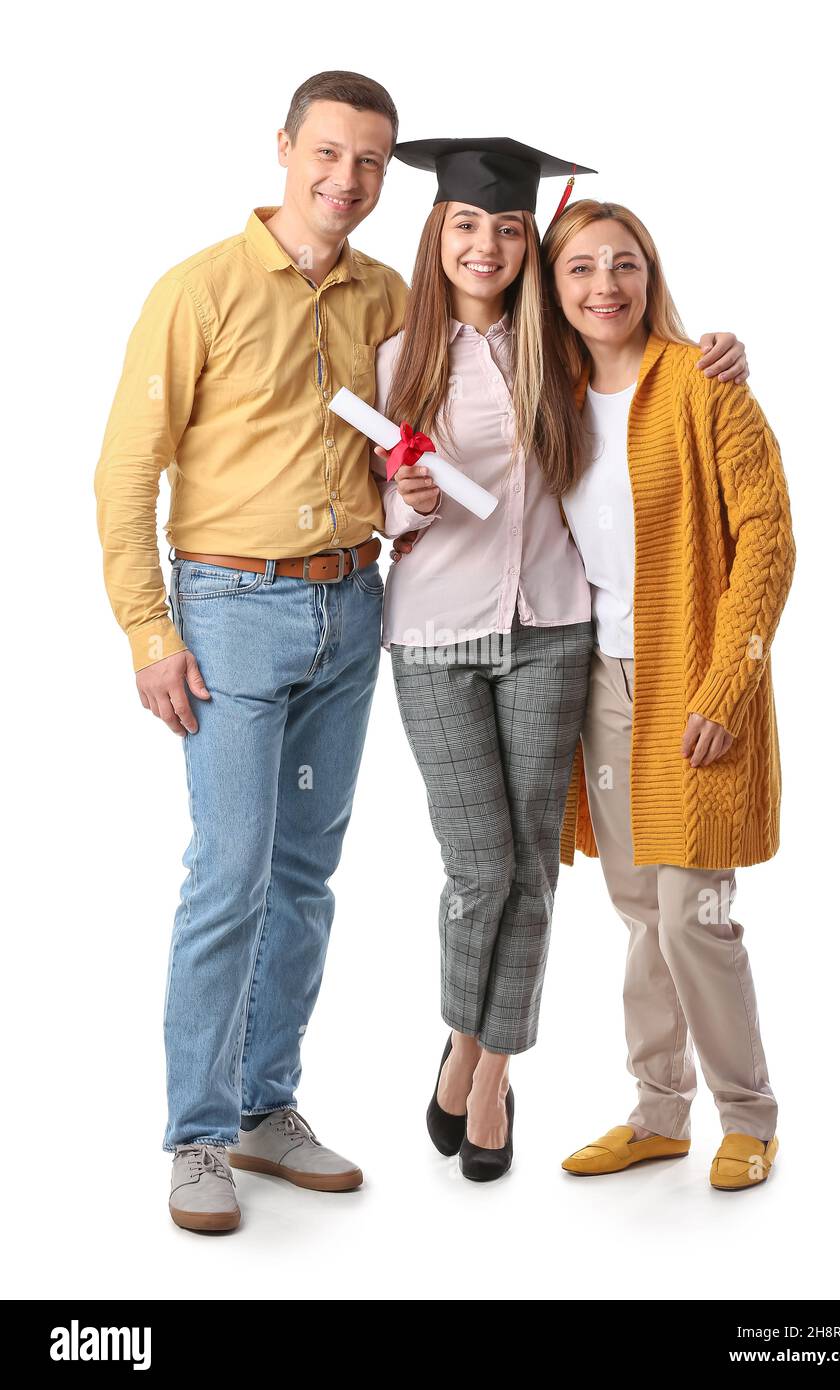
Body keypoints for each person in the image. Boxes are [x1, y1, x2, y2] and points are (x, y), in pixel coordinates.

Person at [94, 71, 434, 1234]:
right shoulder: (198, 289)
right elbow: (125, 473)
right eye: (328, 153)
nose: (347, 180)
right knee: (228, 874)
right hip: (230, 609)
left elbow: (411, 429)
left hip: (351, 607)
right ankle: (196, 1135)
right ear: (284, 147)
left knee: (303, 878)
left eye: (372, 163)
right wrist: (149, 629)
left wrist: (409, 483)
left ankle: (263, 1105)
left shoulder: (385, 295)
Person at [372, 139, 749, 1182]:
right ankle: (462, 1037)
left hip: (552, 632)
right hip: (437, 637)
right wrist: (393, 505)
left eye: (505, 226)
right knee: (477, 870)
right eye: (465, 225)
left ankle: (490, 1075)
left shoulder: (560, 349)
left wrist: (717, 350)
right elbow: (360, 501)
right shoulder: (391, 358)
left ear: (526, 241)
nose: (485, 244)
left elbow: (646, 382)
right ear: (436, 232)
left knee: (534, 868)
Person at [545, 200, 795, 1190]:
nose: (604, 286)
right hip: (598, 689)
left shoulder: (704, 381)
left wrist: (727, 684)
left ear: (648, 276)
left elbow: (767, 543)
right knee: (642, 906)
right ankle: (657, 1111)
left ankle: (749, 1115)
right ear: (554, 291)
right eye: (580, 270)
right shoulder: (549, 397)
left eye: (623, 265)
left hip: (692, 680)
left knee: (694, 910)